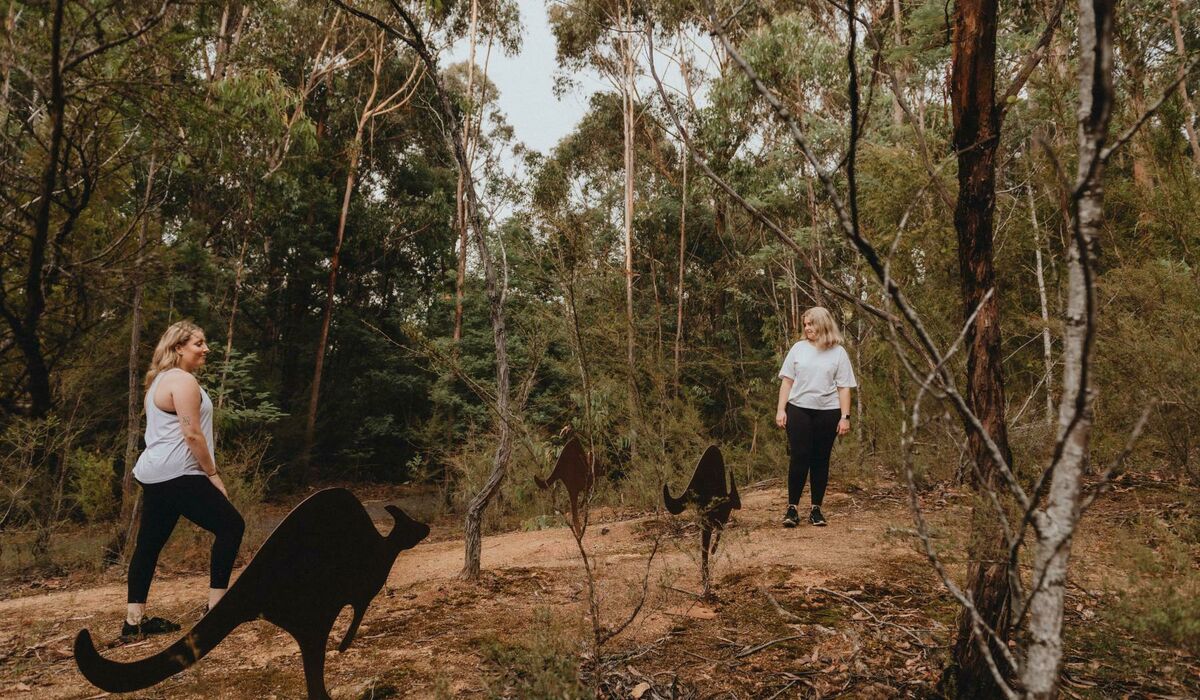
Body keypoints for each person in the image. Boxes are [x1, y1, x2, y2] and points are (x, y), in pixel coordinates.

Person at [123, 321, 244, 639]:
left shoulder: (159, 381)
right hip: (179, 473)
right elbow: (192, 434)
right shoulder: (183, 380)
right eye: (198, 343)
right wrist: (212, 474)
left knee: (148, 545)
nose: (206, 349)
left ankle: (133, 624)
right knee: (231, 526)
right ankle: (217, 610)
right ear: (178, 347)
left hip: (155, 474)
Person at [775, 307, 857, 528]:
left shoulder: (838, 353)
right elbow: (787, 382)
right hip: (798, 409)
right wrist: (781, 410)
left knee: (820, 459)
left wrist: (845, 417)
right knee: (800, 456)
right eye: (805, 324)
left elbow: (844, 388)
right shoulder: (798, 349)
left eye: (811, 324)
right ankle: (792, 508)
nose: (807, 328)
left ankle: (816, 510)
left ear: (823, 323)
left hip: (828, 412)